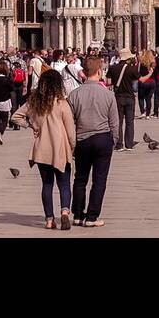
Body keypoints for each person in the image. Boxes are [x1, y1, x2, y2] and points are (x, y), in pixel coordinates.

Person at [12, 69, 76, 230]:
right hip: (60, 148)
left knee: (47, 185)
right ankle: (65, 212)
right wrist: (73, 147)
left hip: (42, 150)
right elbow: (70, 131)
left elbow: (15, 116)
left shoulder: (34, 102)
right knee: (64, 184)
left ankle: (49, 219)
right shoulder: (62, 103)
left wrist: (32, 125)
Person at [66, 55, 117, 227]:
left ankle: (78, 215)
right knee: (99, 180)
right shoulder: (108, 94)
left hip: (82, 140)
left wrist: (71, 143)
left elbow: (69, 122)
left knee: (80, 178)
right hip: (103, 139)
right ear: (99, 71)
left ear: (84, 73)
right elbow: (114, 122)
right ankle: (92, 217)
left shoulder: (73, 95)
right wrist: (113, 141)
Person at [106, 51, 138, 151]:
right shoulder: (132, 69)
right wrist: (150, 73)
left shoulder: (113, 68)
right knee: (130, 122)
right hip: (129, 97)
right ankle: (129, 145)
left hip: (118, 97)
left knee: (118, 121)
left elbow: (108, 82)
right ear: (128, 59)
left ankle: (119, 145)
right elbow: (141, 80)